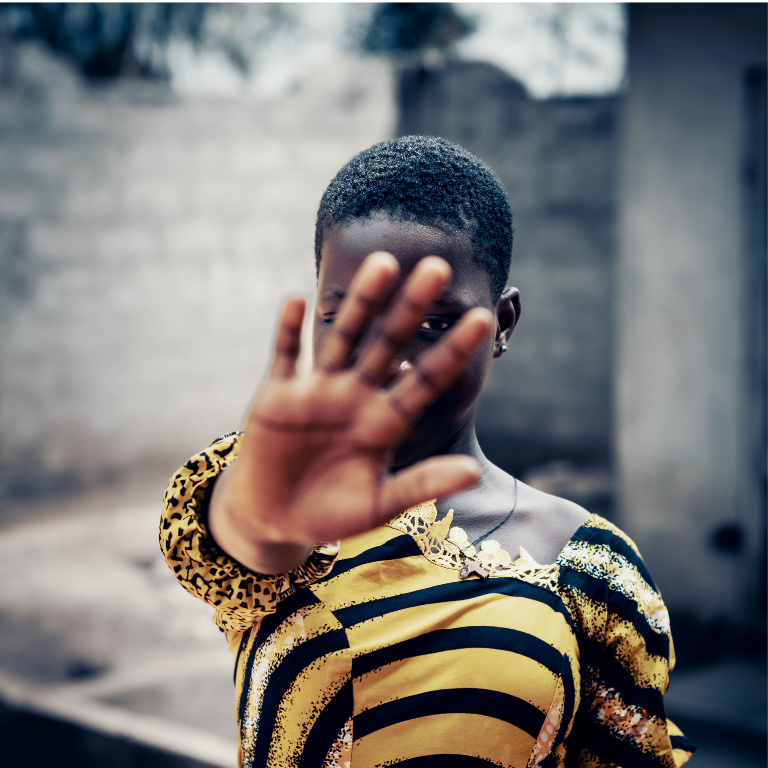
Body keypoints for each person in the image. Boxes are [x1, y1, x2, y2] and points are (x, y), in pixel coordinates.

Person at [160, 136, 695, 768]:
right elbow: (234, 536)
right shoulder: (276, 498)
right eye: (349, 320)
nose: (391, 360)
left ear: (503, 323)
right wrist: (258, 519)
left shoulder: (592, 568)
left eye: (435, 323)